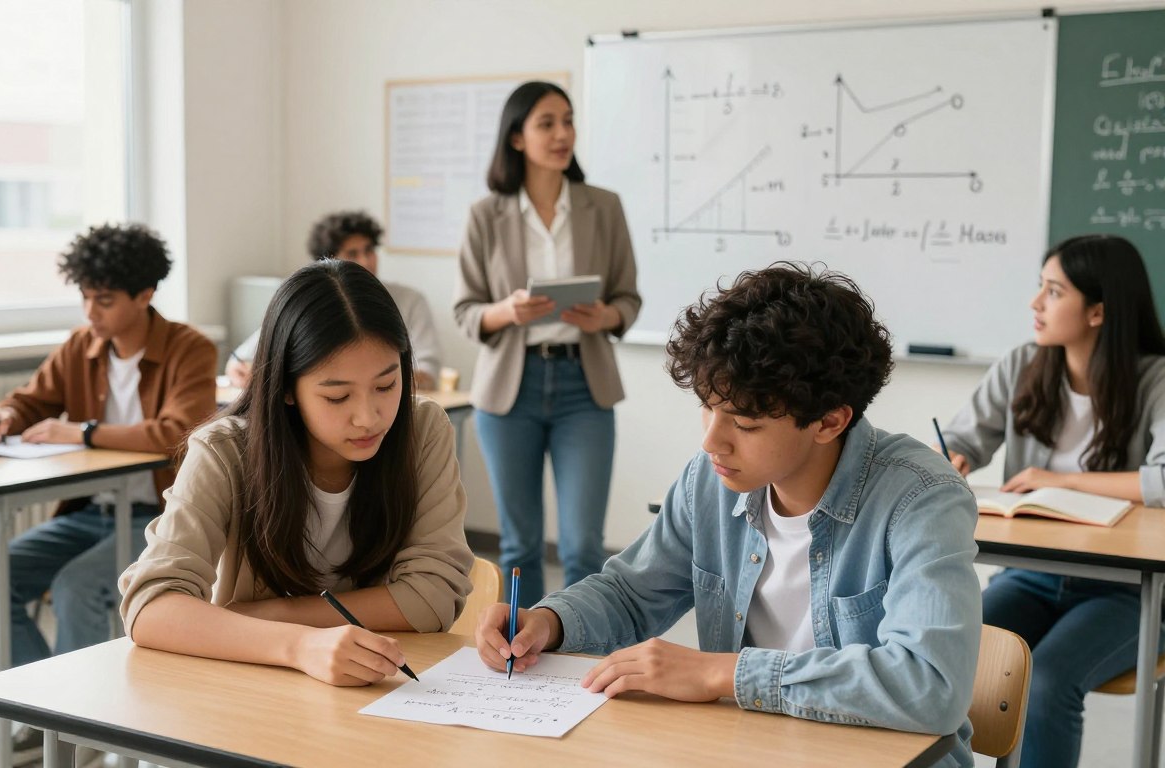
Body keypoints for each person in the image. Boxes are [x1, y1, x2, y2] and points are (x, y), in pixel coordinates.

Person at [477, 263, 981, 768]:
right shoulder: (710, 480)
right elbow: (632, 593)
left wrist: (723, 673)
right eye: (706, 407)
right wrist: (547, 621)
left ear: (829, 421)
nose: (711, 441)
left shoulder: (922, 496)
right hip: (747, 749)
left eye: (744, 423)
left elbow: (929, 686)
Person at [120, 259, 473, 686]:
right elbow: (152, 607)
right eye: (337, 396)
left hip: (382, 685)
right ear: (286, 388)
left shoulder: (421, 430)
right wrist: (301, 645)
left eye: (386, 385)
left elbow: (433, 599)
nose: (369, 417)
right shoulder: (224, 451)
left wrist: (273, 613)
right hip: (258, 687)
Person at [0, 223, 216, 767]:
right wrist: (0, 416)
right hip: (91, 514)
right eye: (84, 297)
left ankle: (83, 726)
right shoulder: (83, 345)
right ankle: (44, 714)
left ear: (145, 296)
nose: (90, 311)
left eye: (103, 299)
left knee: (76, 585)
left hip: (160, 520)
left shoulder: (188, 348)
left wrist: (83, 432)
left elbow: (180, 430)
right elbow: (31, 400)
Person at [940, 234, 1165, 768]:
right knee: (947, 659)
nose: (1035, 304)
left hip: (1129, 592)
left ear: (1097, 311)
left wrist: (1061, 481)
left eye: (1053, 291)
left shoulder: (1155, 377)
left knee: (1045, 685)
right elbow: (962, 440)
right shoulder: (1023, 364)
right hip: (1030, 575)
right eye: (1039, 287)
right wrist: (949, 458)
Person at [453, 81, 640, 606]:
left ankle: (582, 654)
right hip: (511, 389)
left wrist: (606, 314)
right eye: (546, 123)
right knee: (520, 545)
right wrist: (506, 311)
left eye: (568, 120)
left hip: (585, 383)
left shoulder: (603, 206)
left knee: (582, 545)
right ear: (516, 137)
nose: (562, 134)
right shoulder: (485, 215)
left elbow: (629, 298)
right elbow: (466, 312)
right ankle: (522, 653)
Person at [226, 210, 443, 391]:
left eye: (369, 250)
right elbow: (240, 358)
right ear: (330, 260)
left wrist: (381, 382)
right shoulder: (310, 301)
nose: (366, 260)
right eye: (353, 253)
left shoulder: (410, 300)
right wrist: (238, 369)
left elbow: (428, 371)